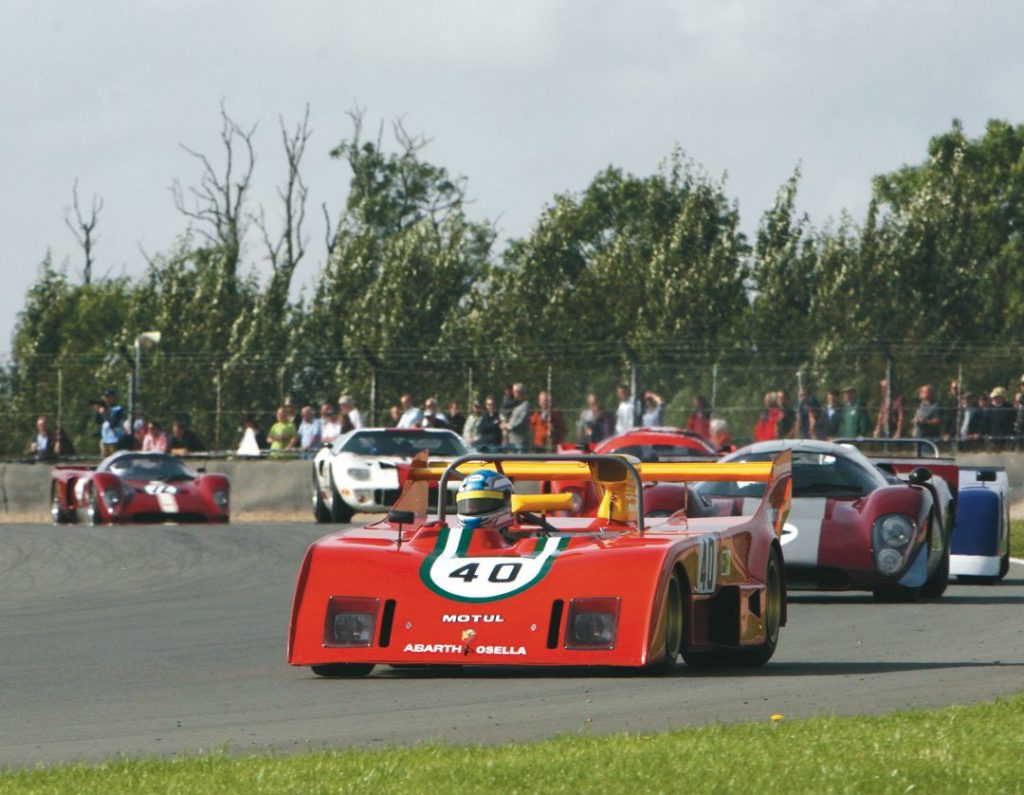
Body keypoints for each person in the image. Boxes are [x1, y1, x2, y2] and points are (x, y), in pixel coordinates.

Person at [455, 469, 513, 533]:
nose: (474, 509)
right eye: (470, 505)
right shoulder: (454, 537)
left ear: (507, 501)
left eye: (482, 504)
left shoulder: (519, 536)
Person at [94, 389, 126, 456]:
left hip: (115, 439)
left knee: (114, 458)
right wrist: (97, 411)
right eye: (105, 397)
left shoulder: (118, 409)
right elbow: (98, 421)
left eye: (108, 397)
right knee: (105, 458)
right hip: (105, 438)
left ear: (113, 398)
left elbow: (113, 423)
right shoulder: (105, 408)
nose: (106, 399)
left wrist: (105, 413)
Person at [502, 383, 530, 452]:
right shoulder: (514, 404)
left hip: (520, 440)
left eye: (514, 392)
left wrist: (510, 425)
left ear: (520, 392)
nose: (513, 394)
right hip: (511, 440)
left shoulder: (525, 404)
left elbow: (522, 420)